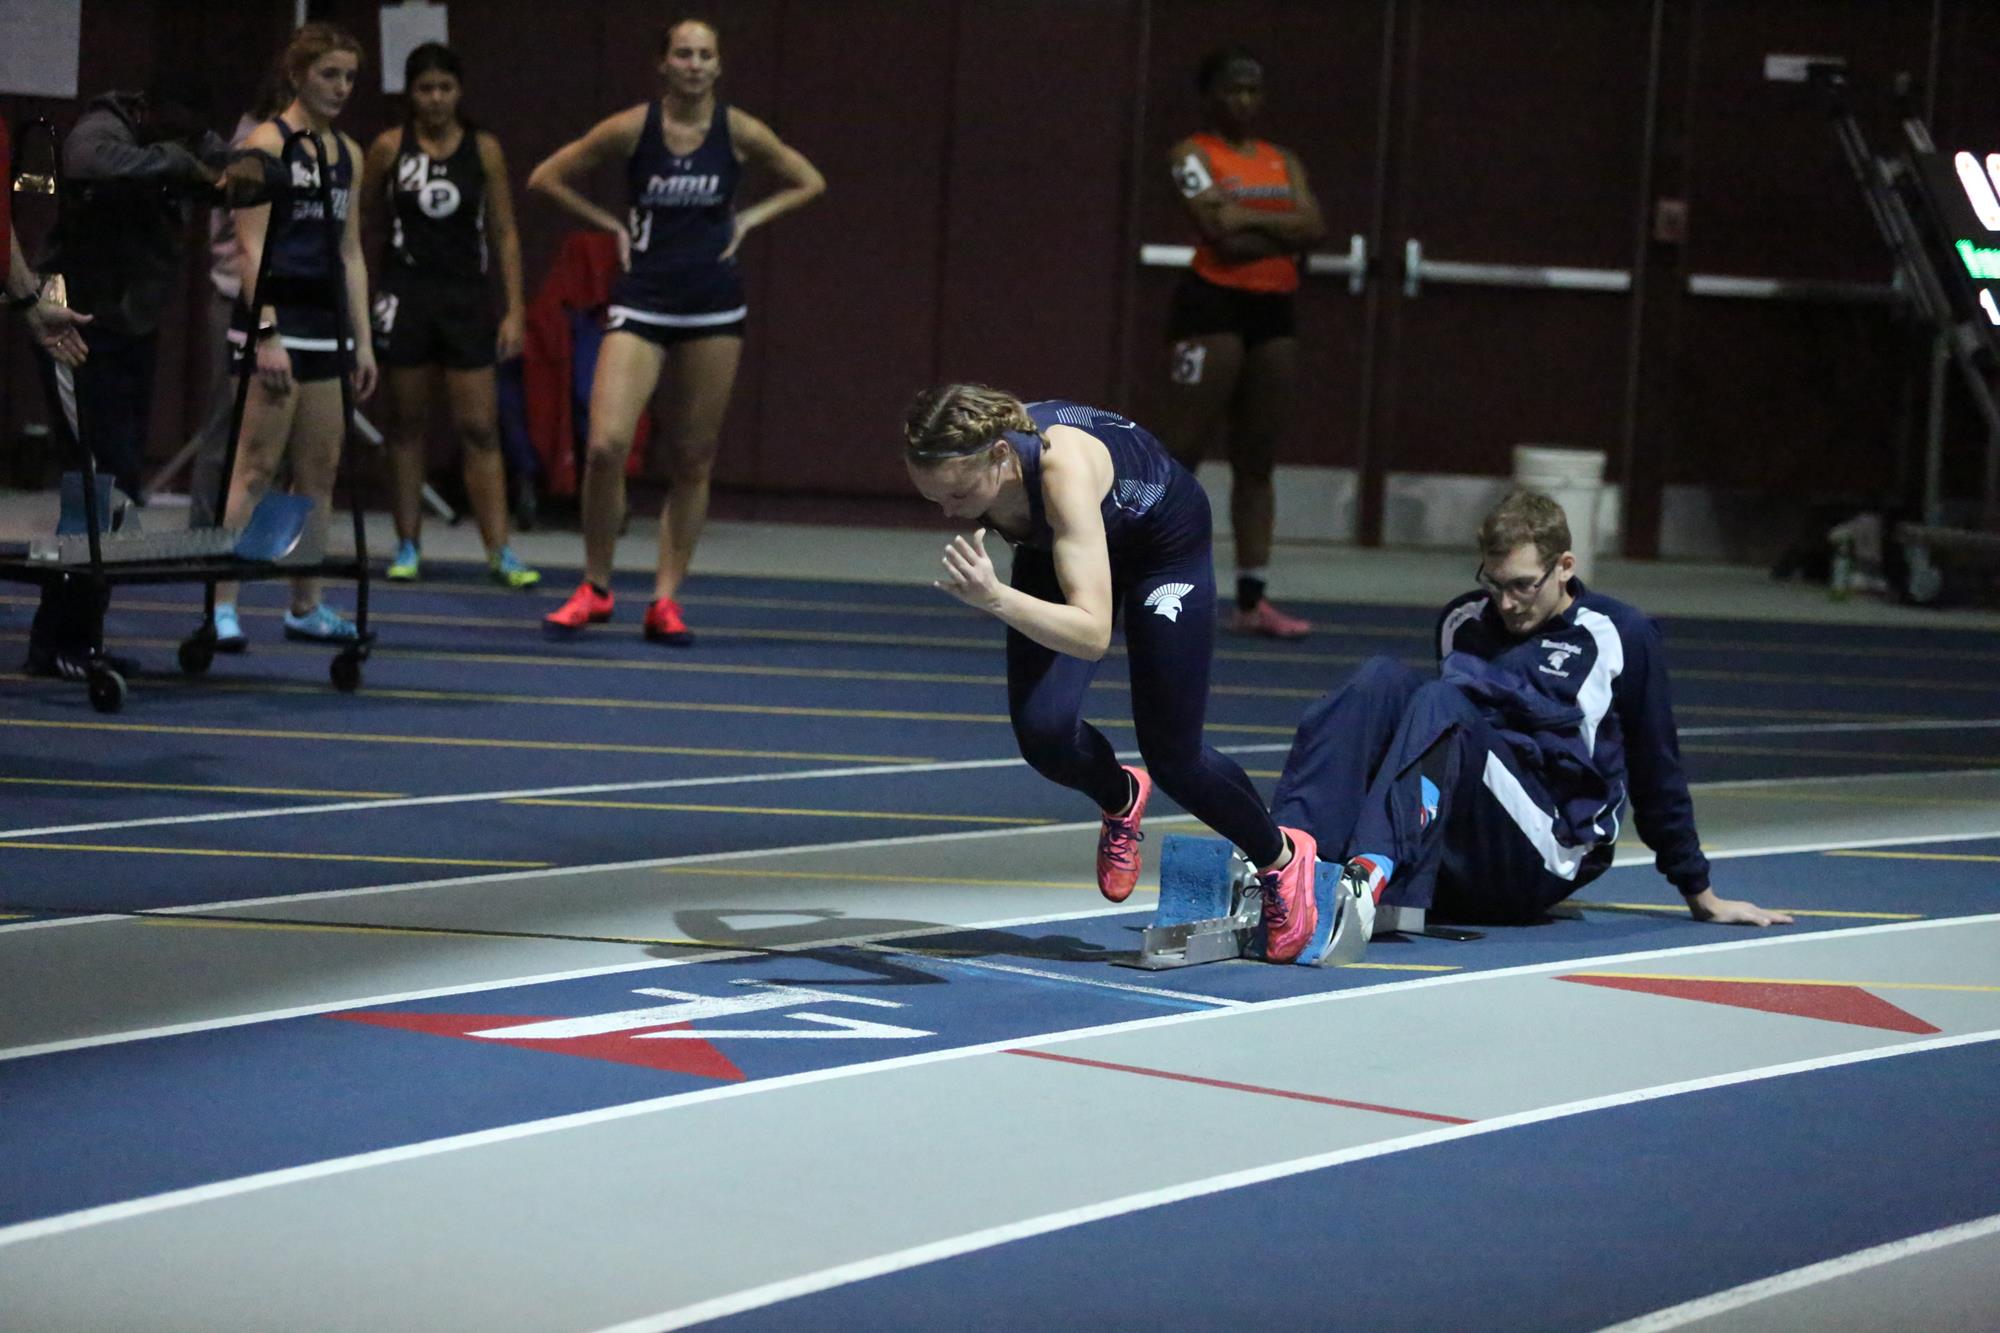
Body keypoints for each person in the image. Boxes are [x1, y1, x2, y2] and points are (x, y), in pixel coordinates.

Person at [1268, 488, 1795, 954]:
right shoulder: (1462, 621)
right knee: (1379, 680)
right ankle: (1285, 861)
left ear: (1565, 565)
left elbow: (1657, 767)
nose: (1506, 603)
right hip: (1467, 850)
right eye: (1493, 584)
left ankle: (1367, 878)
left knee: (1441, 705)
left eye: (1522, 585)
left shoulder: (1621, 635)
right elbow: (1436, 758)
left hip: (1540, 857)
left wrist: (1699, 892)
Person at [905, 385, 1324, 961]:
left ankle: (1281, 857)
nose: (948, 510)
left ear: (1003, 456)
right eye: (932, 497)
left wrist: (996, 598)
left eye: (956, 493)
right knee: (1043, 735)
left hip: (1160, 548)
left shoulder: (1061, 470)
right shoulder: (987, 462)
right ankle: (1120, 794)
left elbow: (1092, 633)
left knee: (1176, 757)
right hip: (1067, 546)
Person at [527, 15, 823, 644]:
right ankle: (595, 585)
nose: (694, 64)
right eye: (683, 54)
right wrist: (611, 225)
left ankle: (665, 599)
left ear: (719, 65)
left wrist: (747, 222)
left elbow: (808, 180)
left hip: (713, 305)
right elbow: (546, 176)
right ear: (662, 64)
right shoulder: (634, 127)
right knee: (606, 444)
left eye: (705, 55)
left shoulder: (736, 130)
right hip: (643, 299)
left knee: (693, 456)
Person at [212, 23, 377, 651]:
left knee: (319, 471)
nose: (340, 88)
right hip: (273, 325)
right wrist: (267, 333)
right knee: (253, 469)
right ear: (297, 74)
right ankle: (223, 604)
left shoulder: (349, 155)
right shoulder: (263, 146)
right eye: (329, 74)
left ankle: (305, 605)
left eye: (349, 77)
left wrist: (362, 341)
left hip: (326, 330)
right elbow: (248, 249)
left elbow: (351, 253)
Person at [1154, 46, 1324, 640]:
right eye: (1232, 90)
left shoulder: (1283, 160)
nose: (1245, 101)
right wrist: (1280, 230)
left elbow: (1316, 225)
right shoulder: (1193, 154)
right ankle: (1141, 580)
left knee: (1258, 459)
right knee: (1181, 453)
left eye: (1254, 90)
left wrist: (1249, 222)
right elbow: (1217, 231)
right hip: (1212, 305)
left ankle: (1252, 599)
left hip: (1273, 309)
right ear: (1210, 97)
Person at [362, 42, 538, 589]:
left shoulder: (484, 149)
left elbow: (504, 231)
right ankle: (408, 543)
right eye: (424, 89)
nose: (435, 99)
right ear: (410, 94)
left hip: (466, 297)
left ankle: (500, 550)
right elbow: (364, 222)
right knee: (406, 425)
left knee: (479, 427)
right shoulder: (389, 148)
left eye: (444, 88)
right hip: (407, 295)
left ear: (459, 92)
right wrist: (367, 297)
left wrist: (514, 309)